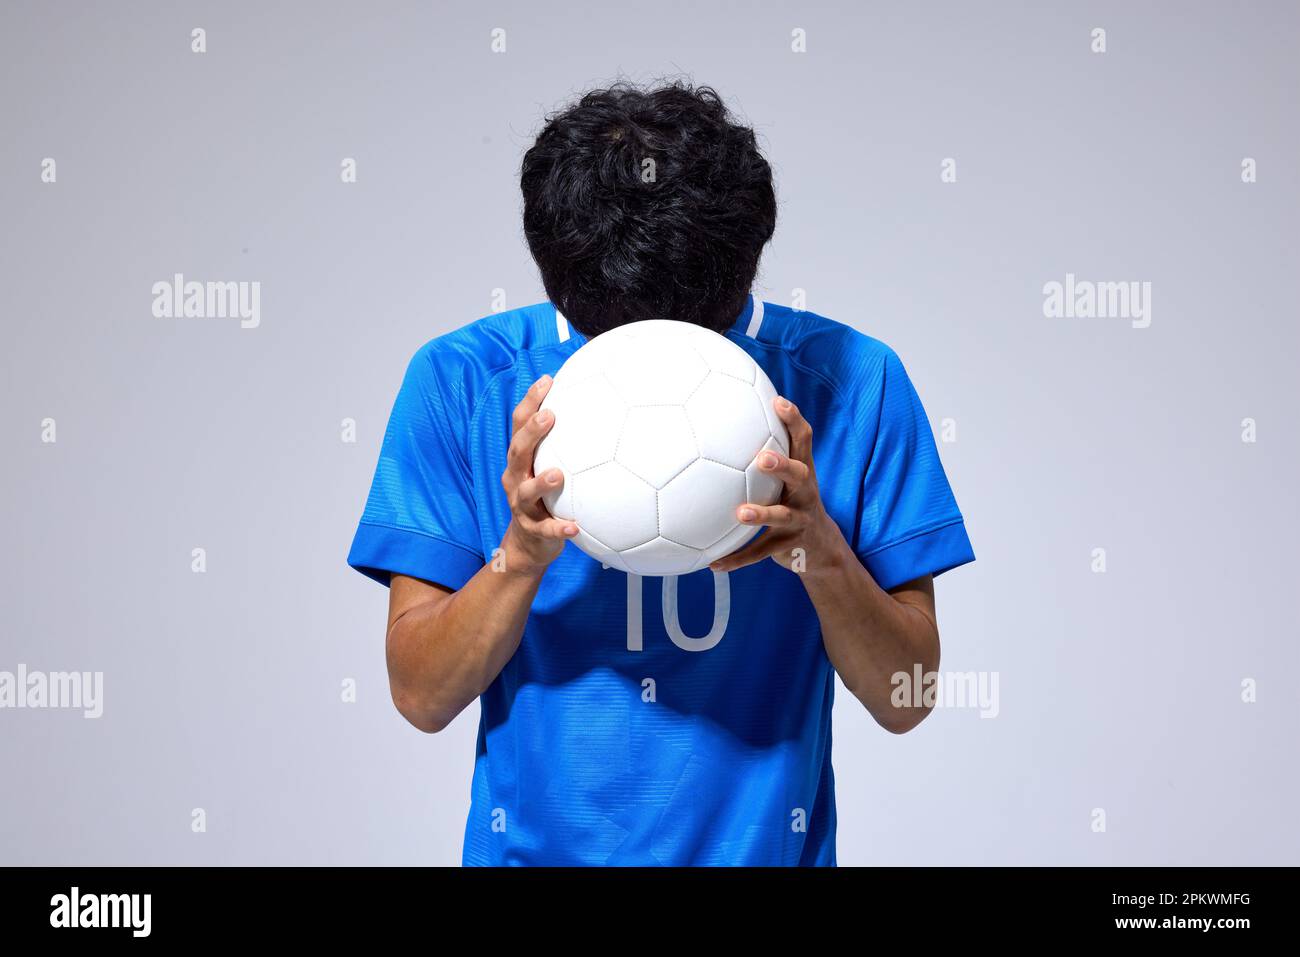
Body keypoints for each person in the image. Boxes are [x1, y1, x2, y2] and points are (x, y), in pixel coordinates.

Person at [347, 82, 975, 866]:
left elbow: (906, 695)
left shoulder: (853, 381)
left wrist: (821, 549)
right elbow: (420, 694)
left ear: (741, 281)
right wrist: (520, 553)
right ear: (564, 290)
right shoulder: (462, 381)